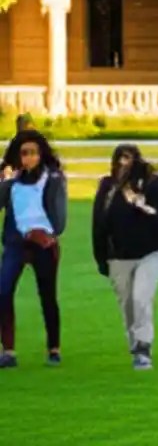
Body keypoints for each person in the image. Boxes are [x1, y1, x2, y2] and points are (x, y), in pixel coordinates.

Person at [92, 144, 158, 369]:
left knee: (140, 297)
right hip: (119, 255)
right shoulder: (107, 187)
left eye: (128, 159)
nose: (123, 164)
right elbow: (98, 222)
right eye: (119, 159)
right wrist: (101, 256)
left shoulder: (153, 184)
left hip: (151, 252)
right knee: (127, 303)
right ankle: (135, 345)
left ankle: (144, 345)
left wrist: (139, 203)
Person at [0, 131, 68, 368]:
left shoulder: (52, 179)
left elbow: (59, 216)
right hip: (16, 243)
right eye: (24, 153)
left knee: (47, 295)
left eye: (33, 153)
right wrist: (4, 179)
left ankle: (54, 348)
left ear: (41, 155)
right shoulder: (12, 182)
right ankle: (8, 350)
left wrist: (48, 234)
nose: (28, 158)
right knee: (3, 291)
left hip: (43, 243)